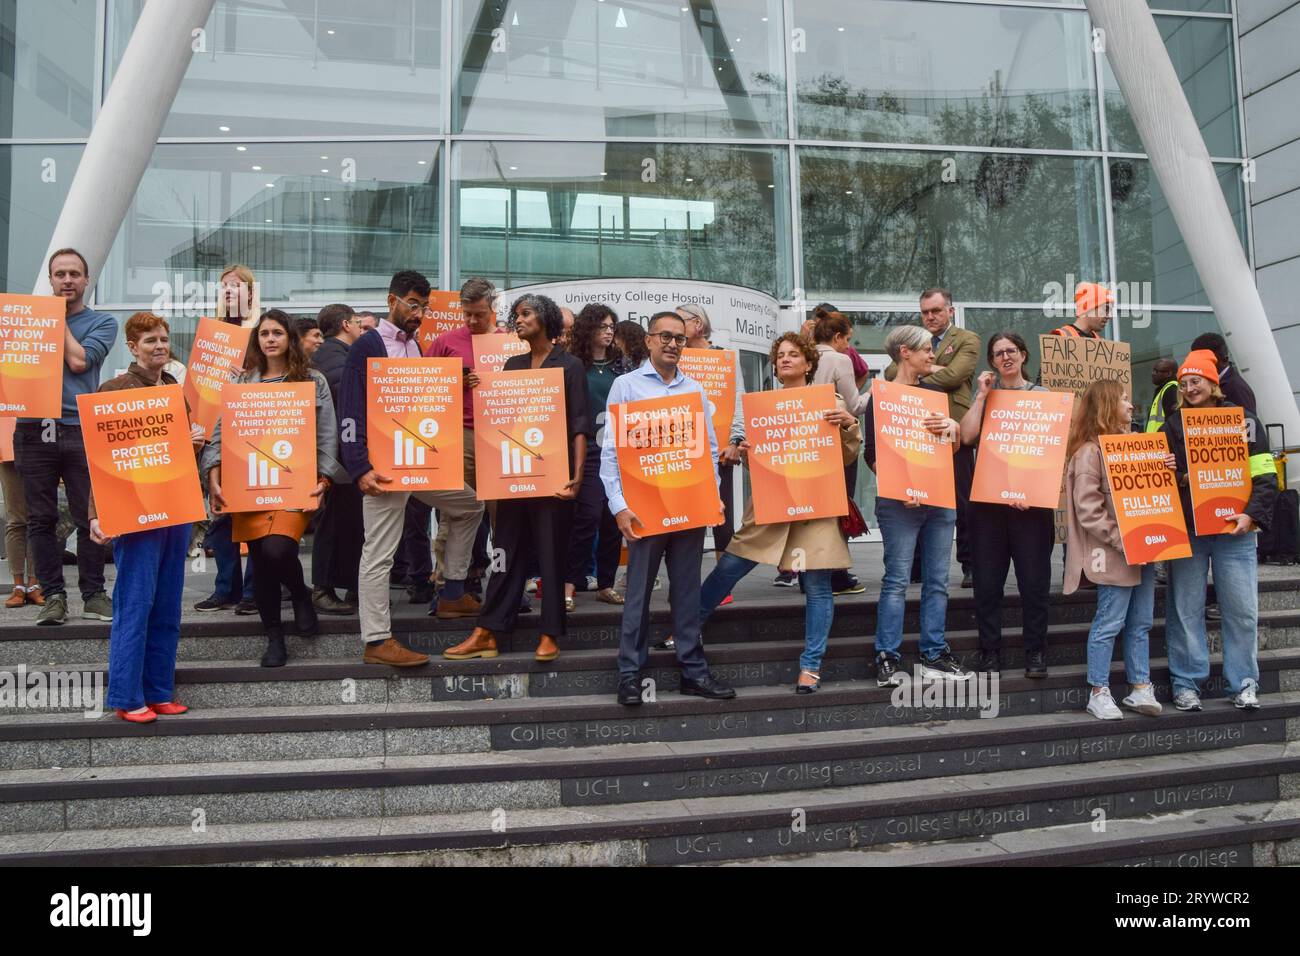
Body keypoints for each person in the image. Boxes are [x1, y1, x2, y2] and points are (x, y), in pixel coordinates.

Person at [697, 333, 860, 693]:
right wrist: (747, 452)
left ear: (808, 363)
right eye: (780, 355)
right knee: (729, 566)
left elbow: (846, 457)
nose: (785, 359)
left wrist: (849, 424)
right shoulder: (762, 406)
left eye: (793, 354)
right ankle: (687, 631)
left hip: (815, 508)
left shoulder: (828, 402)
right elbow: (763, 467)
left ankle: (811, 666)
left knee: (817, 585)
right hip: (773, 506)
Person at [338, 270, 484, 667]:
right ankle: (377, 640)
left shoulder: (418, 347)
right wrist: (359, 467)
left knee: (471, 505)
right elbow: (349, 409)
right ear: (392, 301)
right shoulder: (367, 345)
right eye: (413, 304)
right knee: (380, 552)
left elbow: (422, 405)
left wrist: (457, 387)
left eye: (425, 306)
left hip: (420, 463)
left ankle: (452, 592)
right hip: (382, 468)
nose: (419, 313)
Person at [444, 294, 592, 662]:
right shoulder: (512, 364)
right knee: (504, 554)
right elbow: (500, 418)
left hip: (553, 477)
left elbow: (579, 426)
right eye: (518, 314)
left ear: (545, 318)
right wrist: (482, 388)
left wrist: (576, 476)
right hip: (513, 477)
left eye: (526, 314)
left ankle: (550, 633)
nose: (519, 320)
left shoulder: (570, 366)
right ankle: (487, 630)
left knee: (551, 555)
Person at [602, 311, 737, 705]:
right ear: (648, 341)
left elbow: (708, 451)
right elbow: (610, 454)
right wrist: (619, 506)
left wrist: (712, 496)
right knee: (638, 594)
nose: (673, 344)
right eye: (665, 336)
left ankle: (693, 671)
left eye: (679, 338)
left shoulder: (694, 390)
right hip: (643, 509)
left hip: (689, 507)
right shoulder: (625, 387)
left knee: (686, 592)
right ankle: (630, 674)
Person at [203, 310, 339, 668]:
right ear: (257, 340)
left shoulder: (312, 381)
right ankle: (274, 636)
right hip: (249, 486)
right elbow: (219, 435)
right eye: (264, 333)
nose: (270, 339)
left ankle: (298, 593)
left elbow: (327, 434)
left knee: (278, 551)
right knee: (262, 560)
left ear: (289, 338)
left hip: (294, 486)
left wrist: (324, 479)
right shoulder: (243, 382)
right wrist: (214, 478)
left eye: (277, 332)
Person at [87, 312, 205, 722]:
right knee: (135, 602)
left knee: (168, 604)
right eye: (150, 340)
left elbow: (177, 455)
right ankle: (125, 694)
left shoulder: (174, 388)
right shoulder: (114, 389)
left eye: (163, 339)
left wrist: (194, 442)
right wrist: (96, 514)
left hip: (174, 505)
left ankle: (157, 689)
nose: (159, 345)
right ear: (132, 346)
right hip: (135, 511)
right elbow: (99, 459)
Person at [1160, 350, 1277, 711]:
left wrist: (1251, 516)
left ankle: (1243, 683)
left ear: (1214, 384)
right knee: (1185, 609)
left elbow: (1265, 476)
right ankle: (1186, 684)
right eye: (1184, 383)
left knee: (1242, 610)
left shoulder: (1245, 421)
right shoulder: (1173, 425)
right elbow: (1162, 483)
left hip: (1236, 530)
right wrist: (1163, 466)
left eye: (1196, 381)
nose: (1190, 387)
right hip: (1191, 529)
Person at [14, 248, 117, 626]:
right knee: (39, 519)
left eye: (75, 274)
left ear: (86, 281)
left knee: (88, 514)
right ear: (51, 280)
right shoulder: (27, 322)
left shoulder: (103, 322)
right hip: (33, 426)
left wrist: (49, 318)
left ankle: (93, 595)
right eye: (60, 275)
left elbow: (79, 362)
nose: (67, 281)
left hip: (79, 427)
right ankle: (53, 596)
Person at [867, 325, 969, 685]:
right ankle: (887, 657)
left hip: (939, 500)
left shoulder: (936, 395)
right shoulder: (881, 397)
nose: (933, 355)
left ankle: (934, 654)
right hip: (899, 504)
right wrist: (901, 485)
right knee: (896, 581)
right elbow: (873, 456)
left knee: (938, 581)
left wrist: (952, 429)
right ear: (905, 352)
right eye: (926, 349)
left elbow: (951, 449)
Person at [1063, 379, 1164, 720]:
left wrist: (1162, 469)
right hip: (1115, 553)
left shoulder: (1133, 446)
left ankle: (1139, 687)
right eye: (1123, 399)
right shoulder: (1089, 453)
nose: (1130, 405)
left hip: (1144, 551)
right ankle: (1099, 691)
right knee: (1110, 623)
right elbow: (1089, 510)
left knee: (1140, 623)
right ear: (1106, 406)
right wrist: (1124, 540)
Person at [959, 332, 1054, 677]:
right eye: (998, 353)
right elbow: (967, 437)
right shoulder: (986, 396)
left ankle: (1036, 653)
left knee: (1034, 582)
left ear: (1024, 355)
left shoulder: (1043, 396)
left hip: (1031, 507)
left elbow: (1048, 450)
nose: (1005, 357)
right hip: (988, 506)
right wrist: (982, 396)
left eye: (1011, 350)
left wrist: (1032, 490)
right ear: (992, 361)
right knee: (987, 584)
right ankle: (990, 652)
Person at [886, 288, 980, 588]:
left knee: (962, 501)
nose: (930, 317)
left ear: (950, 311)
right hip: (915, 432)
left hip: (954, 432)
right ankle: (915, 565)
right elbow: (892, 372)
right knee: (913, 496)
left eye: (936, 311)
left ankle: (970, 564)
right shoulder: (912, 338)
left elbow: (955, 376)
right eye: (925, 312)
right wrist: (933, 369)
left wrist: (918, 371)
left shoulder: (967, 339)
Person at [425, 276, 497, 603]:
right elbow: (424, 390)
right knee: (458, 511)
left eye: (478, 314)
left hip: (500, 436)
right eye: (466, 313)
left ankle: (502, 579)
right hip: (461, 434)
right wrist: (456, 382)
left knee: (502, 516)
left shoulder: (509, 343)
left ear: (492, 309)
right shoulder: (444, 342)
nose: (471, 320)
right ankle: (453, 582)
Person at [196, 263, 262, 613]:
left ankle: (254, 591)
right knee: (220, 516)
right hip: (217, 432)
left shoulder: (261, 331)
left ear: (251, 292)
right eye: (223, 286)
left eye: (236, 286)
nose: (228, 291)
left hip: (253, 433)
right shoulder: (214, 333)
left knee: (252, 515)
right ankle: (227, 588)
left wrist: (250, 375)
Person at [677, 303, 745, 604]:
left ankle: (722, 586)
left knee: (722, 518)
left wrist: (736, 440)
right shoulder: (675, 359)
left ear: (698, 324)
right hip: (683, 452)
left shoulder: (722, 358)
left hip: (719, 451)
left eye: (681, 322)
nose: (676, 329)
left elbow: (738, 399)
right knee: (685, 517)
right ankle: (686, 583)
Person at [564, 304, 630, 608]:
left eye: (611, 327)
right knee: (587, 516)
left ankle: (605, 583)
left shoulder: (622, 366)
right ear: (588, 328)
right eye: (602, 326)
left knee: (612, 516)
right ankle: (569, 583)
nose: (608, 331)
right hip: (588, 450)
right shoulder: (574, 365)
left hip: (617, 450)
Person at [808, 311, 870, 594]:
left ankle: (808, 572)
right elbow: (854, 405)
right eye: (847, 339)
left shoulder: (804, 354)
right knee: (838, 507)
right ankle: (836, 573)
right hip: (836, 441)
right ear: (836, 337)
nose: (848, 345)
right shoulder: (838, 359)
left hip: (809, 443)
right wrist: (877, 391)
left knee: (814, 508)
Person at [309, 303, 364, 614]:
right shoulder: (338, 359)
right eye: (357, 322)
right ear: (346, 324)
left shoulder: (327, 356)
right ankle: (325, 588)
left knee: (344, 523)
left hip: (332, 456)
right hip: (339, 458)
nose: (359, 328)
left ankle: (343, 586)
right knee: (338, 524)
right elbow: (347, 406)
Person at [1, 454, 41, 608]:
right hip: (8, 449)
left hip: (39, 447)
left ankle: (33, 584)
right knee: (16, 520)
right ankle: (18, 586)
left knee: (37, 519)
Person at [1190, 332, 1256, 414]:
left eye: (1199, 360)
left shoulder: (1236, 388)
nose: (1196, 365)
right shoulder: (1215, 384)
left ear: (1217, 357)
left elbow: (1250, 424)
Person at [215, 263, 260, 328]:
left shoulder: (261, 329)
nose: (227, 290)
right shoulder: (212, 329)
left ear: (250, 293)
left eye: (234, 285)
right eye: (223, 286)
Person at [1145, 357, 1179, 433]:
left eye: (1156, 371)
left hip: (1163, 442)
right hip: (1156, 442)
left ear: (1168, 374)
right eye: (1153, 370)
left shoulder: (1172, 389)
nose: (1152, 373)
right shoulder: (1163, 389)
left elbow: (1173, 423)